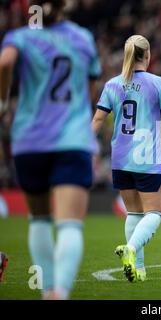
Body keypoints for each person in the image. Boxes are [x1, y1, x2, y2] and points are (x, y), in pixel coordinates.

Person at [0, 0, 101, 299]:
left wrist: (3, 102)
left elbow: (5, 63)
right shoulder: (82, 37)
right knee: (70, 223)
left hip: (30, 141)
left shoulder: (21, 37)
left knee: (40, 219)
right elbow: (90, 83)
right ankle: (61, 292)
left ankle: (46, 289)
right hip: (72, 138)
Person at [92, 35, 161, 283]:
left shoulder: (113, 84)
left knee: (134, 214)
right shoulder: (156, 83)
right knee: (155, 213)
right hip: (147, 157)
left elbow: (97, 121)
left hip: (120, 158)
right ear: (147, 55)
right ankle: (132, 249)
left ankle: (140, 269)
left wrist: (84, 147)